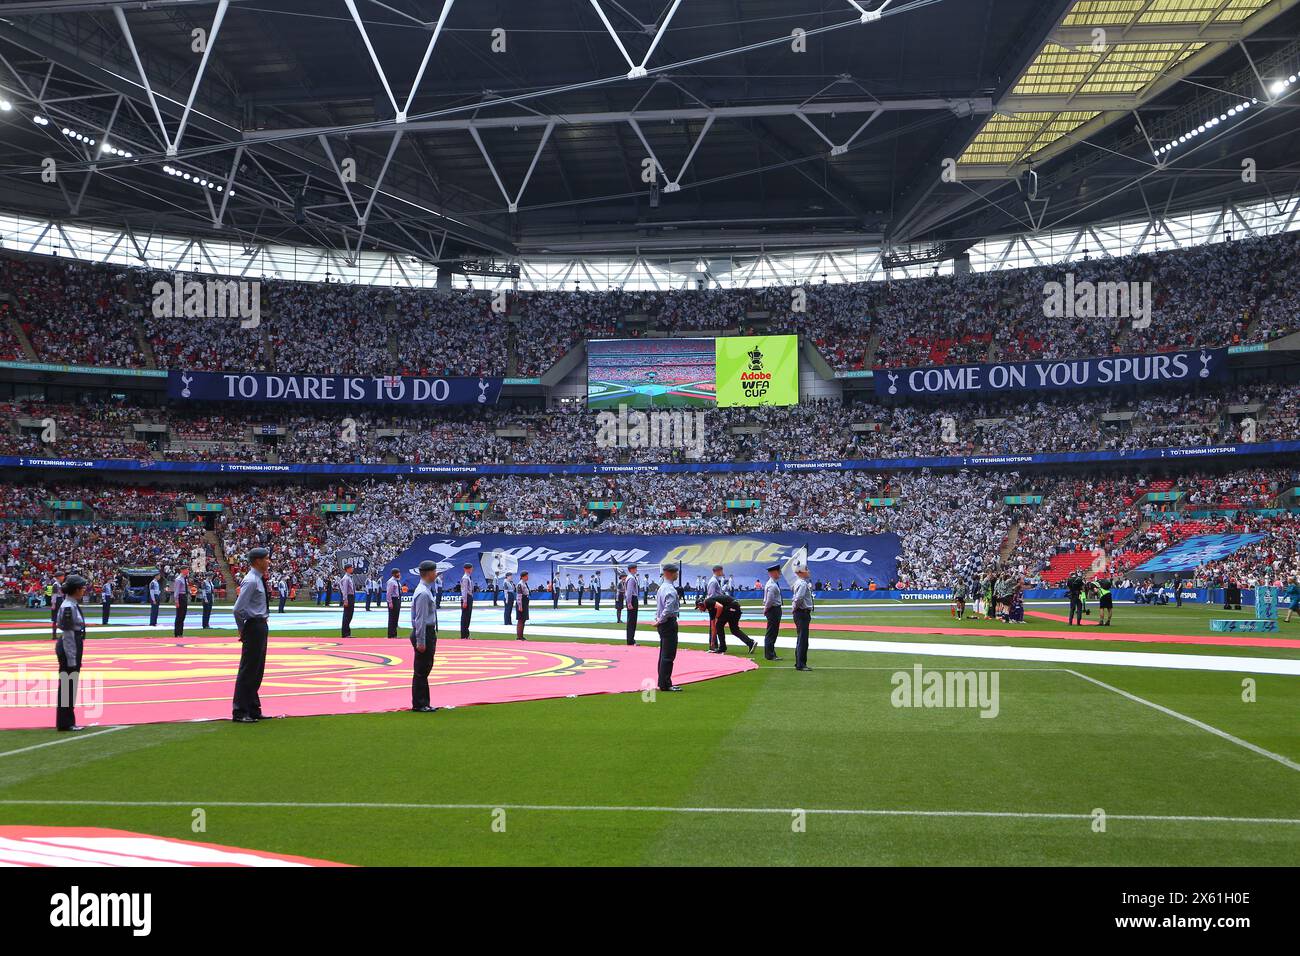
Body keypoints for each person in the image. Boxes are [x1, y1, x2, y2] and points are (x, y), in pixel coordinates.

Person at [231, 547, 272, 723]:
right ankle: (240, 711)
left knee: (257, 670)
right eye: (266, 559)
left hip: (260, 625)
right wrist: (242, 629)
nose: (269, 562)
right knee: (248, 670)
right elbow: (238, 609)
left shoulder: (257, 579)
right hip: (253, 626)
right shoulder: (251, 581)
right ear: (257, 561)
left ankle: (253, 708)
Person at [54, 574, 89, 731]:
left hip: (73, 642)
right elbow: (68, 634)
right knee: (68, 684)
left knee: (69, 684)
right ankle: (66, 722)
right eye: (82, 588)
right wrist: (72, 659)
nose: (84, 591)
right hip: (70, 644)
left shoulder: (71, 604)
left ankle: (66, 721)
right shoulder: (68, 607)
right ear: (75, 590)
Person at [409, 560, 439, 713]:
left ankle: (424, 702)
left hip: (427, 631)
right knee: (421, 670)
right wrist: (421, 641)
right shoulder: (423, 593)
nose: (436, 574)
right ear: (429, 573)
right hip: (424, 632)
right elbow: (420, 619)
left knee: (424, 669)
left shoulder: (425, 589)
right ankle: (420, 703)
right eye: (434, 571)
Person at [654, 563, 683, 692]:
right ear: (670, 573)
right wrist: (661, 620)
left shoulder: (661, 588)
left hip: (663, 624)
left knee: (663, 654)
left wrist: (658, 620)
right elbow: (669, 608)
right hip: (668, 623)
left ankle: (663, 682)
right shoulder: (670, 589)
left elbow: (659, 607)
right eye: (675, 572)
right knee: (668, 654)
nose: (677, 574)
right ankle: (666, 683)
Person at [792, 564, 815, 671]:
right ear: (801, 572)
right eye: (806, 569)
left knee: (801, 638)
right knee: (803, 639)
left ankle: (799, 662)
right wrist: (795, 608)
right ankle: (801, 664)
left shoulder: (799, 583)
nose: (808, 571)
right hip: (802, 613)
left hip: (800, 613)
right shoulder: (802, 584)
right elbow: (799, 598)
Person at [762, 563, 784, 661]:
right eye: (778, 571)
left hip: (774, 609)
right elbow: (770, 600)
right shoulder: (772, 585)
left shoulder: (773, 583)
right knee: (772, 632)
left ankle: (771, 653)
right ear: (773, 572)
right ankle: (770, 654)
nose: (780, 573)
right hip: (773, 610)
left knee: (773, 632)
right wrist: (766, 609)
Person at [623, 562, 640, 646]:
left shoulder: (631, 577)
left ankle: (631, 639)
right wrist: (629, 602)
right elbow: (629, 591)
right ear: (632, 569)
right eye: (635, 568)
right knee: (632, 621)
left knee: (632, 620)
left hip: (632, 598)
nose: (636, 569)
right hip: (632, 599)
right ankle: (630, 640)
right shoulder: (631, 578)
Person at [339, 564, 356, 637]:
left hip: (351, 596)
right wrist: (345, 600)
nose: (352, 569)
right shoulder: (346, 578)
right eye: (351, 568)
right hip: (348, 597)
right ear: (348, 569)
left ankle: (347, 632)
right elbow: (345, 590)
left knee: (349, 615)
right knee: (347, 615)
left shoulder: (349, 577)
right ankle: (345, 633)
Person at [172, 566, 190, 637]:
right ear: (183, 570)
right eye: (187, 569)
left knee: (183, 616)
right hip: (180, 597)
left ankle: (180, 633)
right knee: (179, 616)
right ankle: (177, 633)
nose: (188, 570)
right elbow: (176, 592)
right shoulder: (178, 579)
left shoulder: (184, 579)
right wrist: (176, 601)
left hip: (184, 596)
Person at [459, 562, 474, 639]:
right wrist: (465, 601)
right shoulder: (465, 578)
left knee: (468, 616)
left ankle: (466, 634)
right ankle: (464, 635)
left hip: (469, 597)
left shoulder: (468, 577)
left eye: (471, 568)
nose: (471, 570)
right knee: (465, 617)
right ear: (466, 569)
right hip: (467, 597)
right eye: (470, 568)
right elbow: (464, 590)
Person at [386, 568, 402, 638]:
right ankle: (391, 634)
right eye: (397, 573)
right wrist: (390, 602)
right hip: (393, 599)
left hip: (397, 599)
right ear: (394, 574)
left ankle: (394, 634)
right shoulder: (391, 582)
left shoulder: (397, 581)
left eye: (399, 572)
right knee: (392, 617)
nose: (399, 574)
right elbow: (389, 593)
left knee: (396, 617)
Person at [515, 571, 530, 640]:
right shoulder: (520, 584)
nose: (528, 577)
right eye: (526, 576)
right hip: (521, 602)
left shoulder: (524, 583)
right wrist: (520, 606)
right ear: (523, 576)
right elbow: (519, 596)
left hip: (525, 601)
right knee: (521, 619)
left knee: (523, 619)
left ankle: (521, 635)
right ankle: (519, 636)